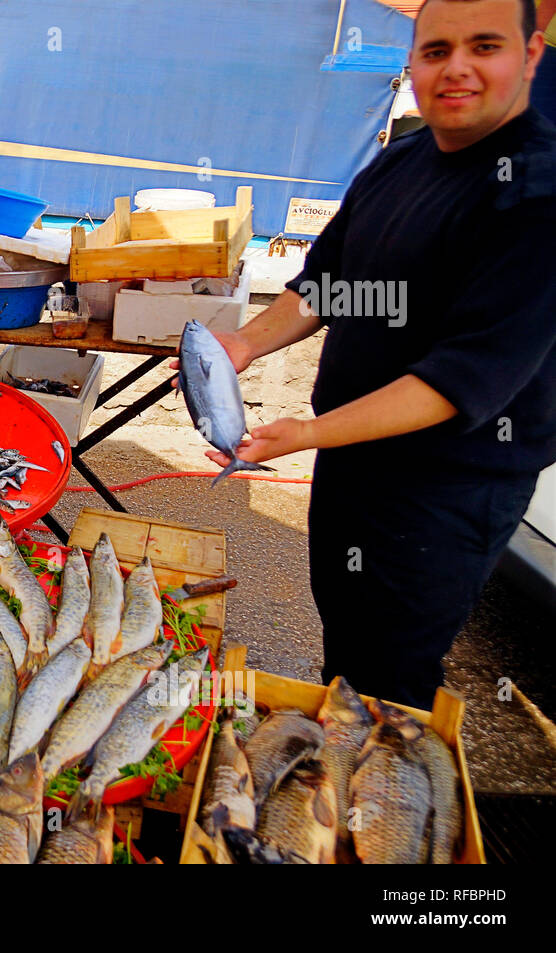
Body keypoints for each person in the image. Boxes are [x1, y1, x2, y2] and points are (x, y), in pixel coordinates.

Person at [181, 0, 556, 709]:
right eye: (436, 49)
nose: (458, 68)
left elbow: (455, 383)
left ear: (532, 55)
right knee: (348, 643)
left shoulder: (536, 197)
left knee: (393, 671)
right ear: (411, 63)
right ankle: (338, 775)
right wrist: (244, 343)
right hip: (353, 464)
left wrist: (304, 434)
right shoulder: (403, 160)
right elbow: (329, 286)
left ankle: (385, 809)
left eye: (485, 46)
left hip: (445, 490)